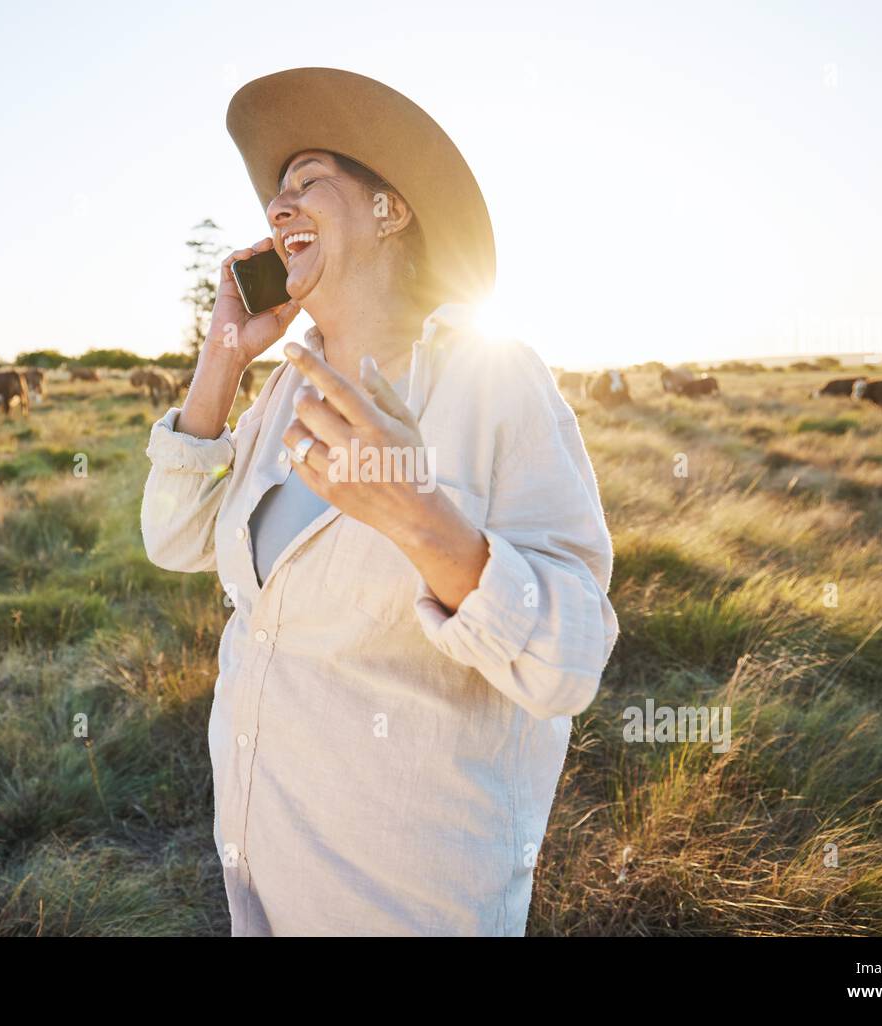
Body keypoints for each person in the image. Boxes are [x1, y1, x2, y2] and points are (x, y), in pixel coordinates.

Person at [142, 67, 618, 935]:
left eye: (308, 181)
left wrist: (416, 515)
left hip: (411, 897)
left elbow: (569, 664)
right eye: (274, 195)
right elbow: (173, 538)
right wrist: (224, 356)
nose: (278, 208)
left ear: (392, 210)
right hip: (264, 876)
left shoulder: (492, 379)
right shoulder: (282, 395)